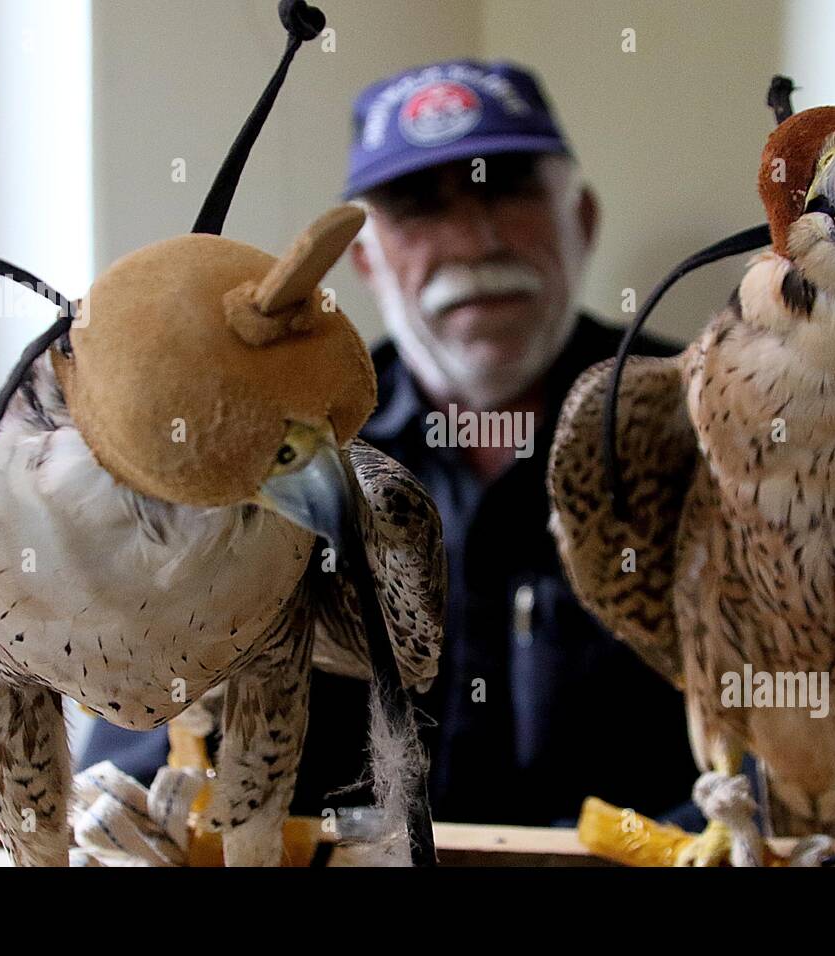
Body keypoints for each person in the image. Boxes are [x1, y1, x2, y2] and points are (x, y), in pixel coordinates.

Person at [81, 59, 703, 828]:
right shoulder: (259, 452)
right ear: (366, 258)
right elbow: (149, 746)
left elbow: (795, 747)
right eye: (418, 207)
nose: (475, 241)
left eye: (507, 191)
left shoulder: (705, 430)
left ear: (581, 222)